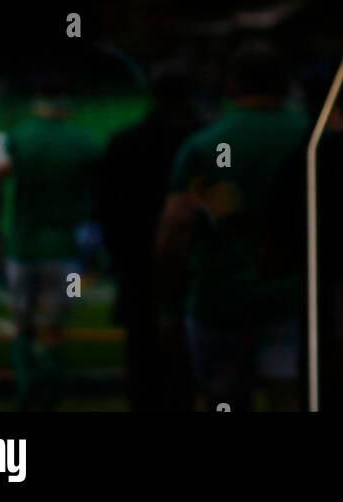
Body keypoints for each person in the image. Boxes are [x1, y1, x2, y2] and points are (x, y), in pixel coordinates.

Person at [156, 41, 307, 411]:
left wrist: (165, 302)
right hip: (293, 297)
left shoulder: (205, 144)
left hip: (221, 299)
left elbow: (174, 231)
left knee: (224, 399)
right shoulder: (312, 135)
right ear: (285, 83)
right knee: (287, 398)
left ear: (232, 85)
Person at [0, 73, 100, 411]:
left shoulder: (20, 137)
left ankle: (28, 390)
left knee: (23, 324)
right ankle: (51, 394)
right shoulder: (84, 142)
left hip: (22, 250)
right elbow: (103, 194)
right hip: (67, 253)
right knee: (56, 327)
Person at [96, 58, 205, 411]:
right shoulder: (204, 141)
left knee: (143, 372)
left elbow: (107, 213)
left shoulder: (124, 143)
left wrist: (123, 265)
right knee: (187, 375)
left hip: (140, 275)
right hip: (195, 275)